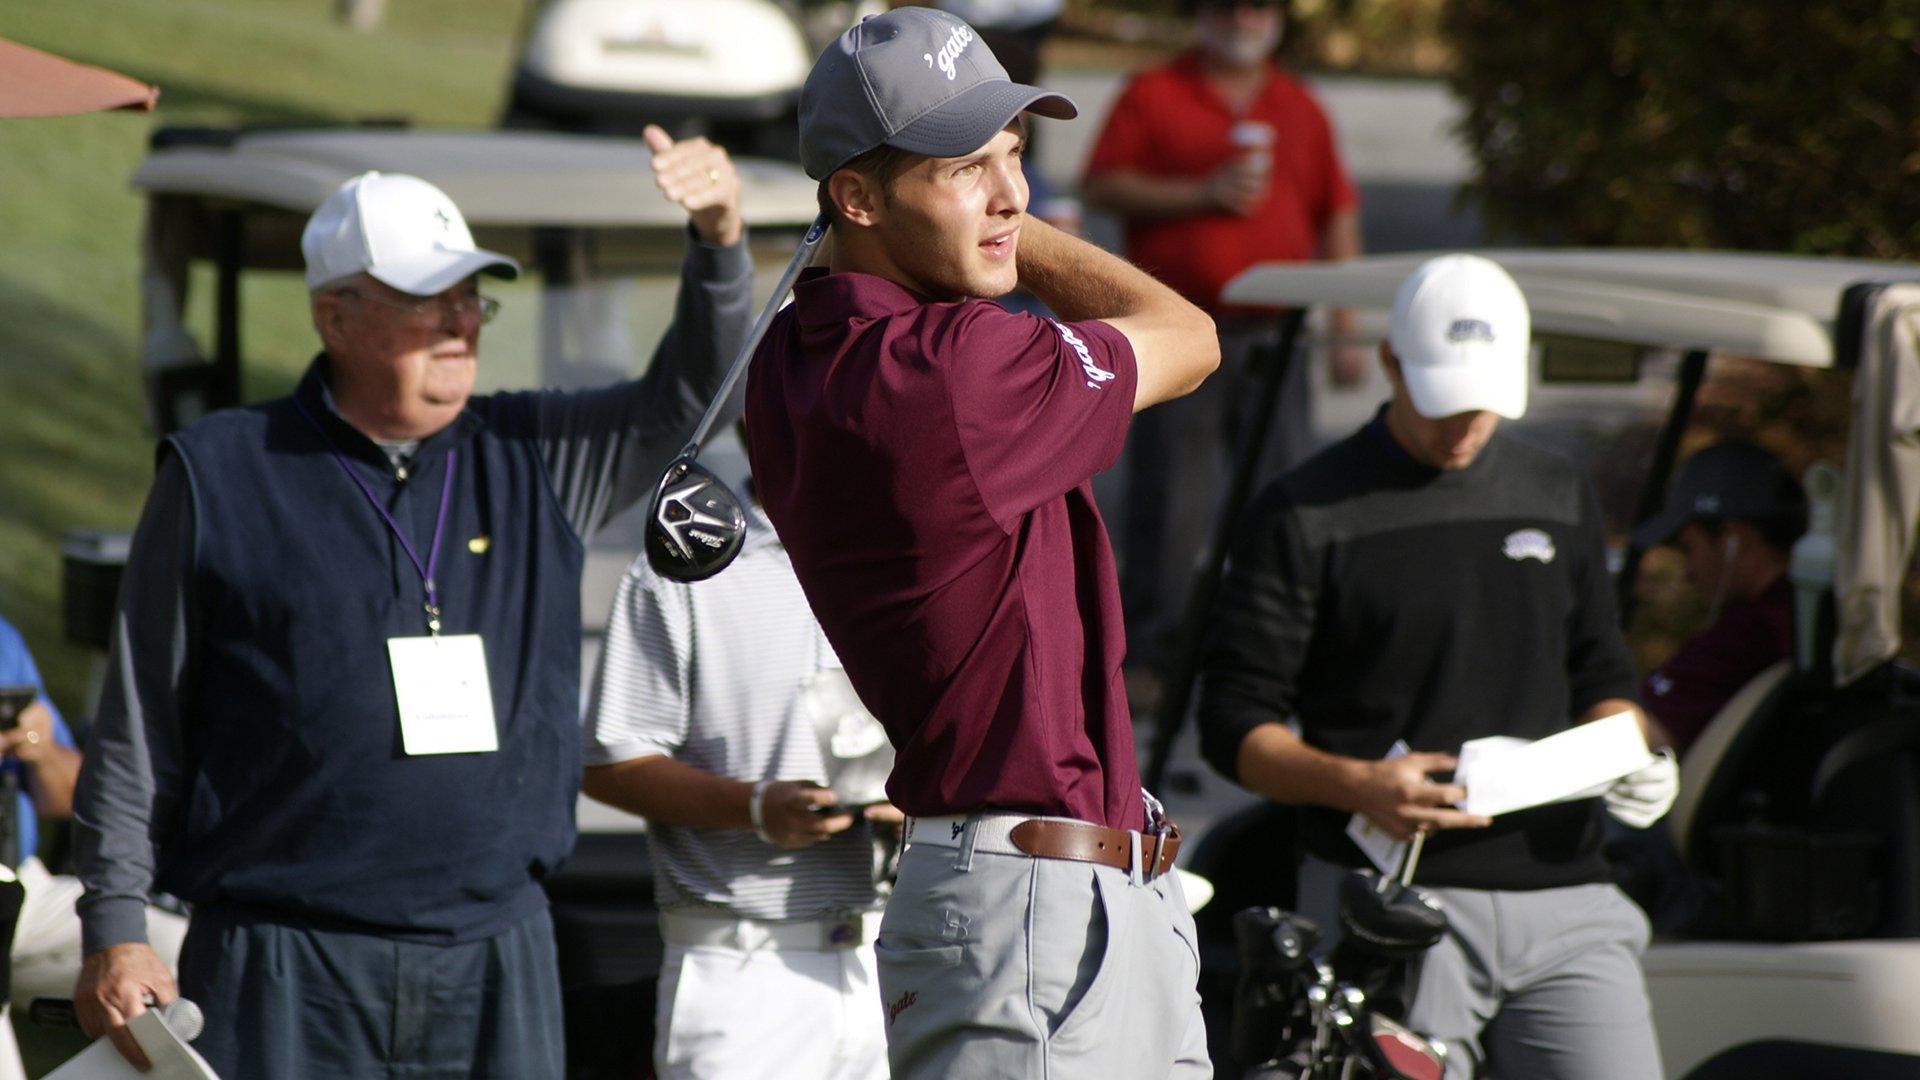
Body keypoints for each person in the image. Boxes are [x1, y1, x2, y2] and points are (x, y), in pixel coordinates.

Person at [70, 127, 753, 1077]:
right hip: (282, 958)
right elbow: (140, 721)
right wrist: (114, 922)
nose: (461, 323)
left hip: (496, 952)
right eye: (429, 300)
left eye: (471, 297)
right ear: (336, 317)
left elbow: (695, 396)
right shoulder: (217, 472)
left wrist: (719, 238)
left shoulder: (534, 454)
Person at [743, 8, 1220, 1079]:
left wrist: (971, 216)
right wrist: (1014, 240)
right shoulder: (955, 365)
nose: (1014, 192)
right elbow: (1190, 337)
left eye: (1016, 153)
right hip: (1034, 907)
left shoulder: (788, 361)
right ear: (858, 197)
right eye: (966, 167)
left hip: (1041, 893)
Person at [1196, 255, 1677, 1080]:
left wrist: (1637, 750)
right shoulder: (1303, 509)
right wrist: (1357, 785)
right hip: (1386, 910)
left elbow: (1601, 673)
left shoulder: (1556, 489)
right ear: (1389, 361)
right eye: (1441, 398)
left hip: (1569, 900)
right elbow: (1232, 722)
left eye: (1481, 402)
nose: (1463, 425)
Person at [580, 469, 899, 1080]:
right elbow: (609, 764)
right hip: (743, 969)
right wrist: (755, 808)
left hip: (899, 953)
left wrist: (924, 802)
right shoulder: (682, 562)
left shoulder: (917, 548)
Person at [1081, 0, 1363, 675]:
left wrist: (1347, 327)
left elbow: (1336, 214)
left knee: (1284, 494)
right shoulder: (1153, 92)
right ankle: (1154, 659)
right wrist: (1200, 193)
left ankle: (1275, 652)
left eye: (1257, 5)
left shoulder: (1301, 105)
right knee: (1170, 500)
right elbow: (1101, 185)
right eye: (1225, 4)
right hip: (1176, 326)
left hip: (1276, 333)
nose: (1242, 17)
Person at [0, 616, 187, 1021]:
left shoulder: (3, 639)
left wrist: (40, 748)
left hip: (22, 888)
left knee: (181, 957)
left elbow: (70, 798)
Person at [1631, 441, 1806, 753]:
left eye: (1688, 548)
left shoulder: (1749, 636)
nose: (1687, 572)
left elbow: (1634, 739)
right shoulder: (1809, 613)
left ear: (1731, 537)